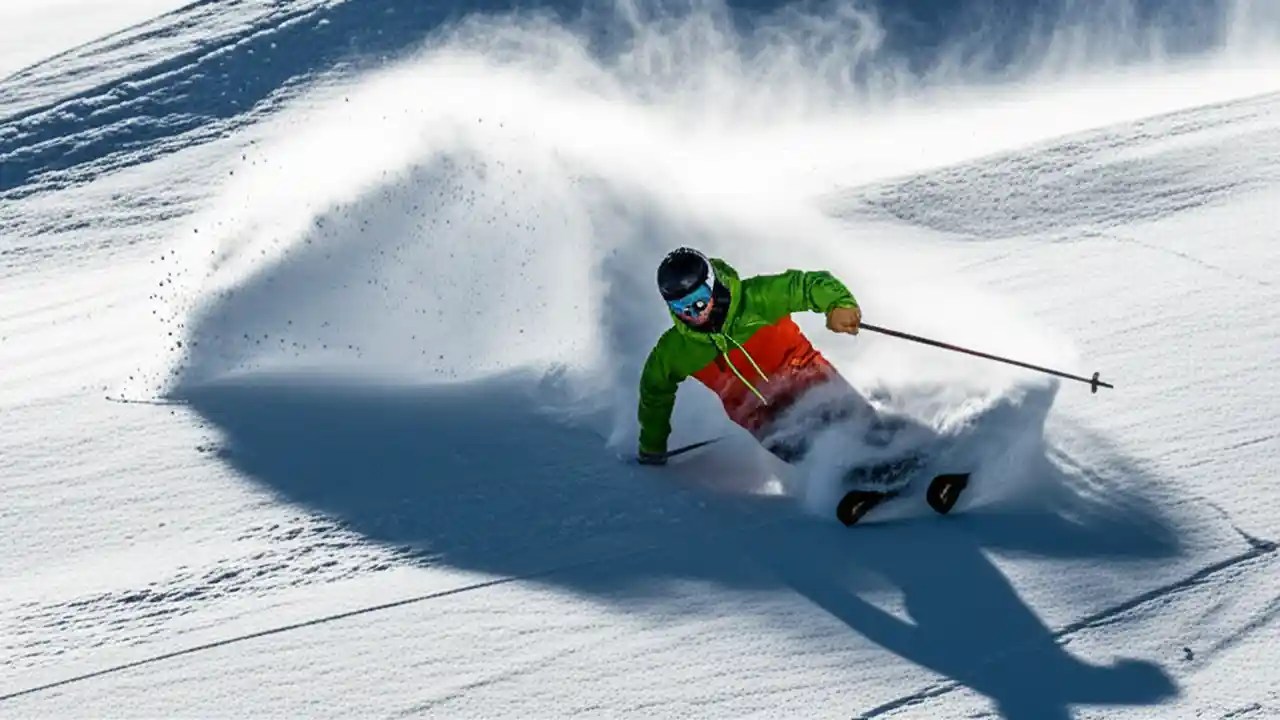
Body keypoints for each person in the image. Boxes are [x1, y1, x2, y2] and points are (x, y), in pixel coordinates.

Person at [636, 247, 902, 466]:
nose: (695, 314)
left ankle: (899, 453)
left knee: (859, 425)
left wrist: (839, 304)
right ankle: (854, 485)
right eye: (682, 308)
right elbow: (654, 392)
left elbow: (805, 285)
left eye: (699, 301)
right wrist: (652, 444)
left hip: (812, 382)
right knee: (817, 456)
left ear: (712, 284)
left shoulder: (756, 298)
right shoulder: (677, 349)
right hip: (764, 420)